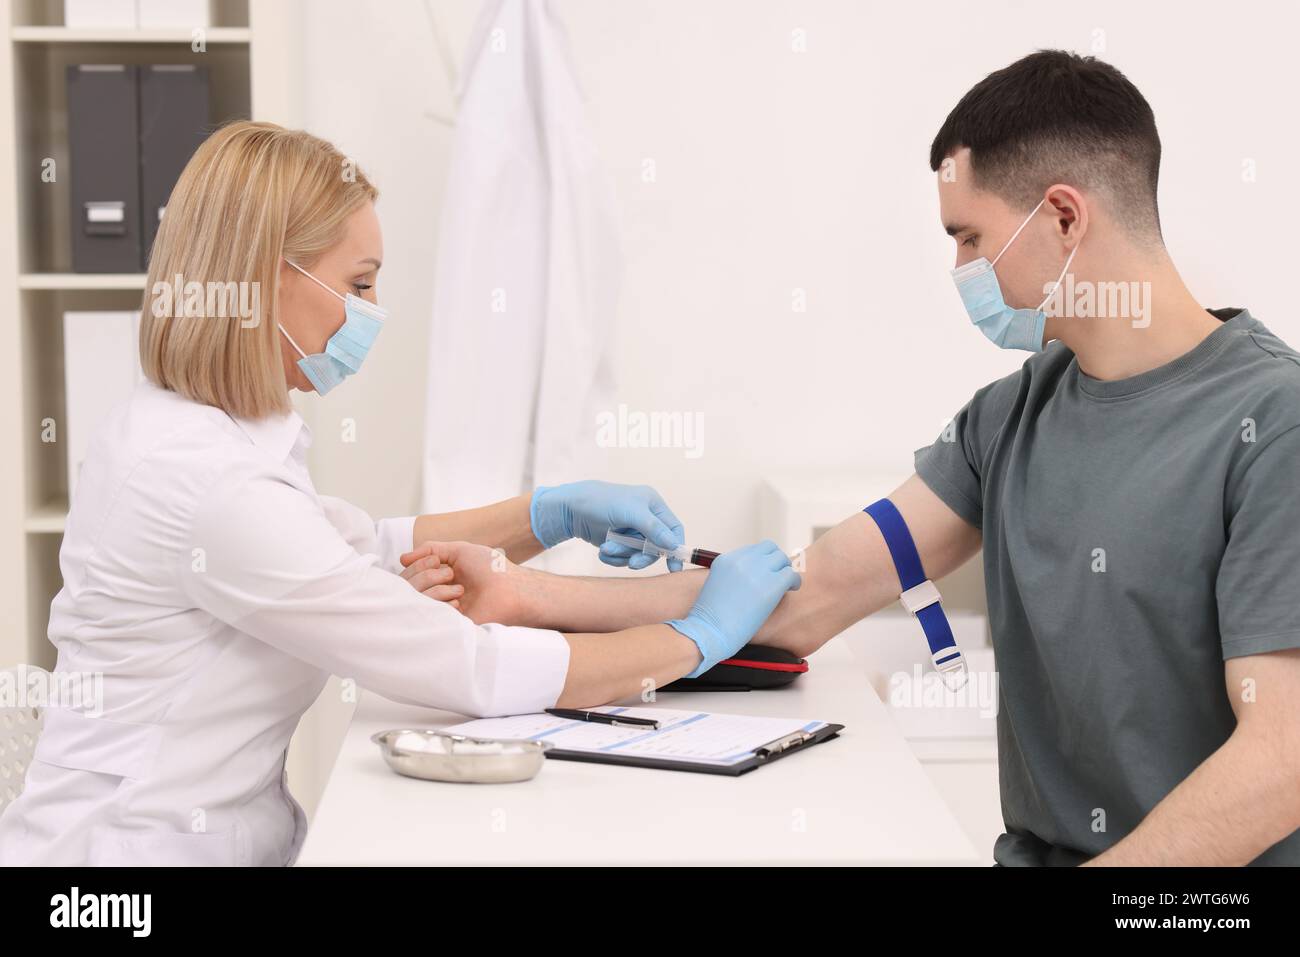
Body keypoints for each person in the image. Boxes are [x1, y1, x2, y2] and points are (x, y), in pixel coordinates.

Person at [436, 51, 1300, 866]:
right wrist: (524, 594)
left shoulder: (1275, 426)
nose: (959, 267)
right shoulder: (1014, 413)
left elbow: (1282, 757)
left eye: (969, 237)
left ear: (1066, 217)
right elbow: (808, 594)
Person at [0, 121, 801, 866]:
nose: (371, 313)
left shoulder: (205, 428)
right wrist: (699, 634)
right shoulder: (207, 480)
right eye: (360, 284)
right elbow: (471, 668)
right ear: (271, 279)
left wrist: (547, 510)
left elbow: (367, 547)